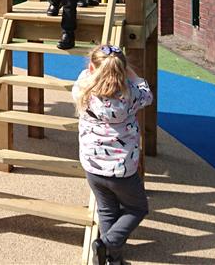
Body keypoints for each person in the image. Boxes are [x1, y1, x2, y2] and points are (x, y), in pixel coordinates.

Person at [72, 45, 152, 265]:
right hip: (122, 170)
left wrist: (98, 67)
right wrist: (132, 75)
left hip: (92, 166)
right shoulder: (130, 95)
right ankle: (108, 243)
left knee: (107, 211)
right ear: (123, 71)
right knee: (137, 208)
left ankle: (112, 261)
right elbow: (148, 94)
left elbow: (87, 74)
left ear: (91, 68)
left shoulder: (83, 89)